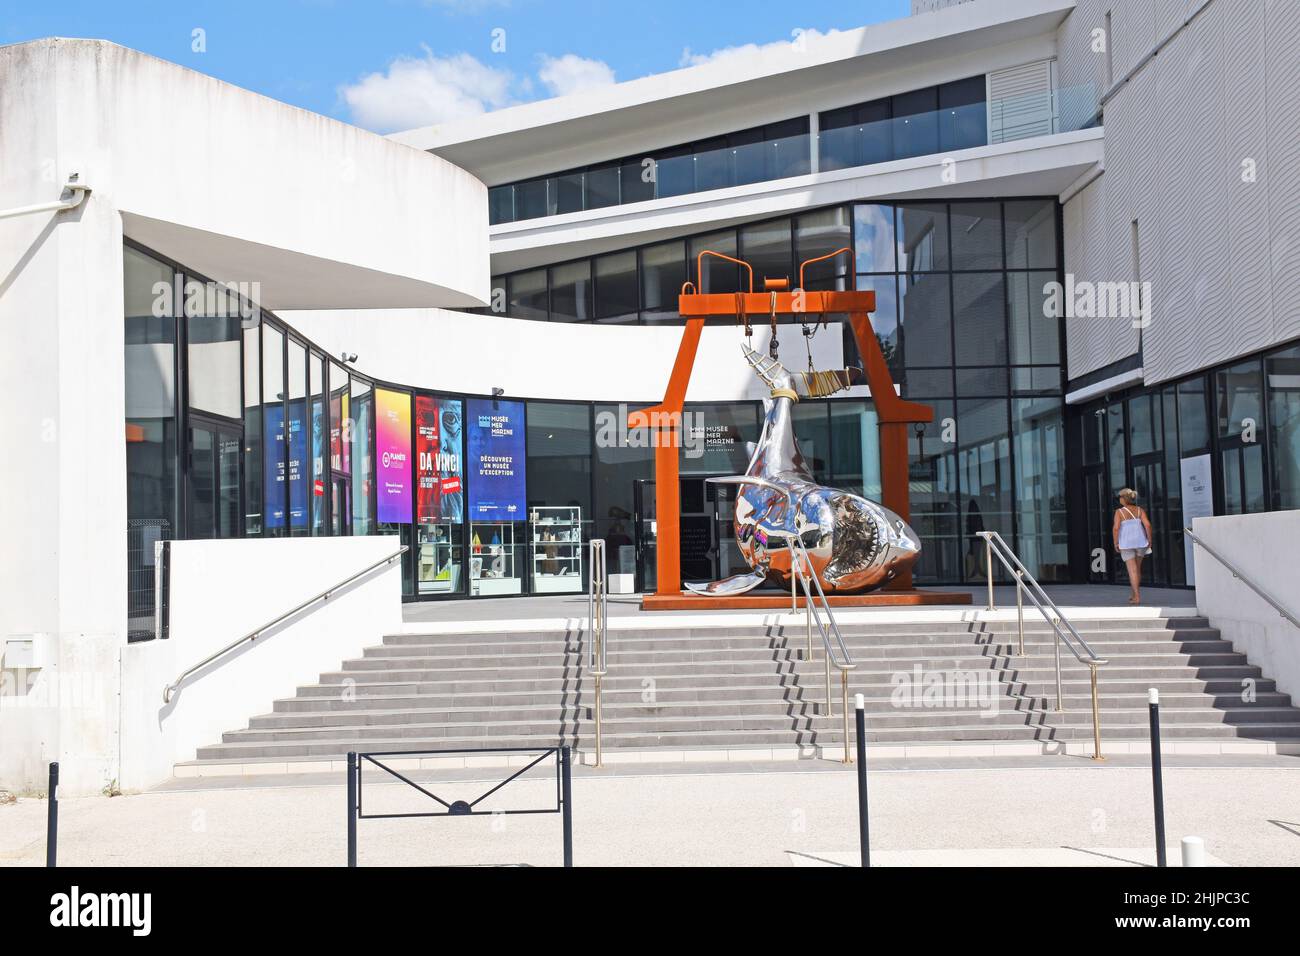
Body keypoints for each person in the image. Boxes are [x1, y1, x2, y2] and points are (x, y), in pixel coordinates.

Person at [1112, 488, 1153, 604]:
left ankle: (1137, 596)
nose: (1119, 499)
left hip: (1126, 544)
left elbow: (1116, 528)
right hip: (1141, 542)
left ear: (1124, 499)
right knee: (1137, 569)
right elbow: (1148, 525)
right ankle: (1134, 594)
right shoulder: (1140, 510)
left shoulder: (1119, 512)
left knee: (1132, 570)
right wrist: (1149, 539)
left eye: (1119, 497)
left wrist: (1115, 543)